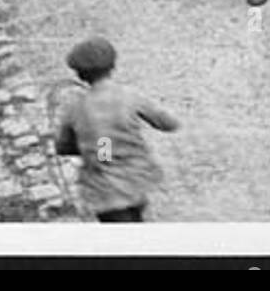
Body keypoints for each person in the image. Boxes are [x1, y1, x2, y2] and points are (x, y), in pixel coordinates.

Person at [55, 37, 180, 223]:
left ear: (80, 75)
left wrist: (92, 143)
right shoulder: (129, 95)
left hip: (104, 191)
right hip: (134, 182)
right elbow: (169, 123)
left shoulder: (75, 108)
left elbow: (63, 147)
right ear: (113, 66)